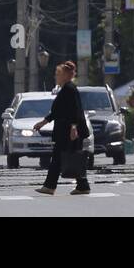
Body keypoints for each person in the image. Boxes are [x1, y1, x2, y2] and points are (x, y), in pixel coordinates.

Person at [34, 61, 91, 196]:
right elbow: (57, 112)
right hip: (65, 131)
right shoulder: (66, 89)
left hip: (69, 131)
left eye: (58, 74)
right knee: (68, 158)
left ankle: (50, 186)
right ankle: (82, 185)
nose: (56, 76)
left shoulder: (69, 89)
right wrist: (42, 122)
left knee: (64, 158)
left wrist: (73, 127)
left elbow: (75, 111)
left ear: (65, 75)